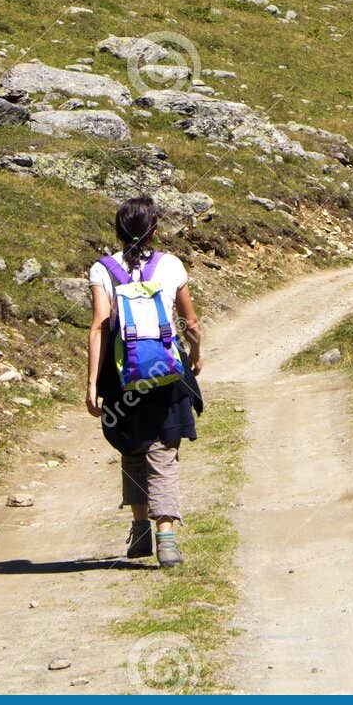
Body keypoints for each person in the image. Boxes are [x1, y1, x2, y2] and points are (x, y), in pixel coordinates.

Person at [86, 196, 202, 568]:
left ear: (118, 233)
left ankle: (139, 529)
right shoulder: (170, 265)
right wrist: (196, 355)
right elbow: (191, 322)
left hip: (122, 375)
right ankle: (166, 537)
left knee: (133, 447)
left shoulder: (102, 270)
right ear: (154, 231)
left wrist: (91, 383)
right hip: (165, 372)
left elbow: (100, 327)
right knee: (164, 451)